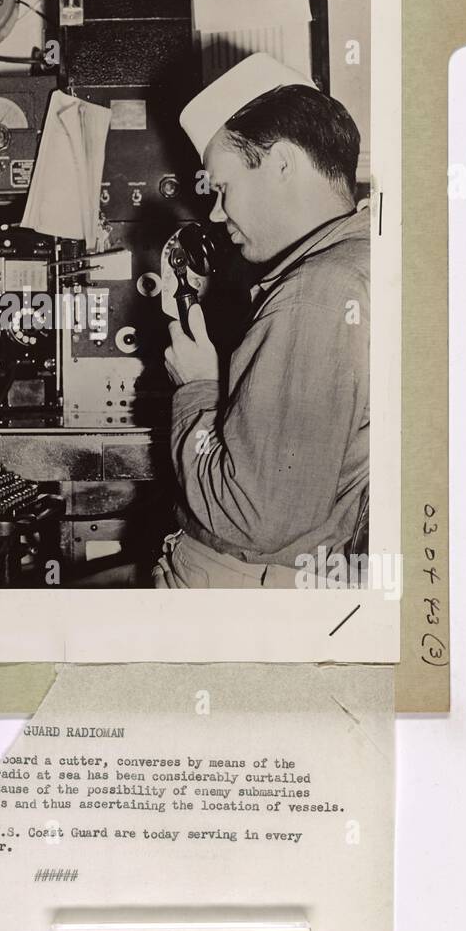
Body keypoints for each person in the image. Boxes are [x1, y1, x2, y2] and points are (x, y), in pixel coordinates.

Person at [155, 52, 370, 590]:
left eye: (222, 188)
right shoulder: (363, 264)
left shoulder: (315, 294)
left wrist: (198, 386)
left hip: (241, 590)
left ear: (281, 164)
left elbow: (251, 516)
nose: (217, 213)